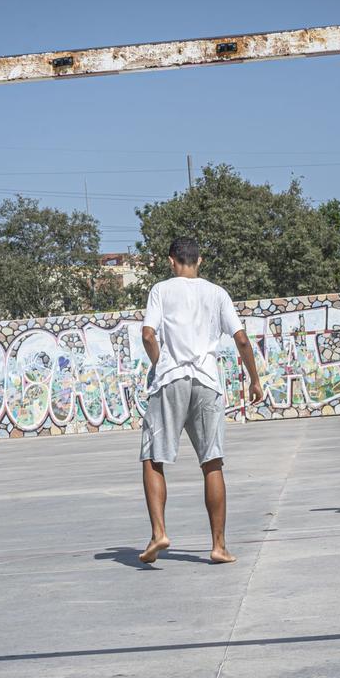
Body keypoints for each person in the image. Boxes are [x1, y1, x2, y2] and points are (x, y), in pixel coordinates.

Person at [138, 237, 263, 564]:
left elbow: (148, 334)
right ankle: (219, 546)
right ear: (200, 260)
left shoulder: (161, 291)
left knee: (154, 458)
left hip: (171, 380)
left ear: (171, 261)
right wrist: (255, 379)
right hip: (207, 383)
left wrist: (158, 362)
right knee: (212, 462)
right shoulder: (217, 293)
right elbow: (242, 339)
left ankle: (159, 533)